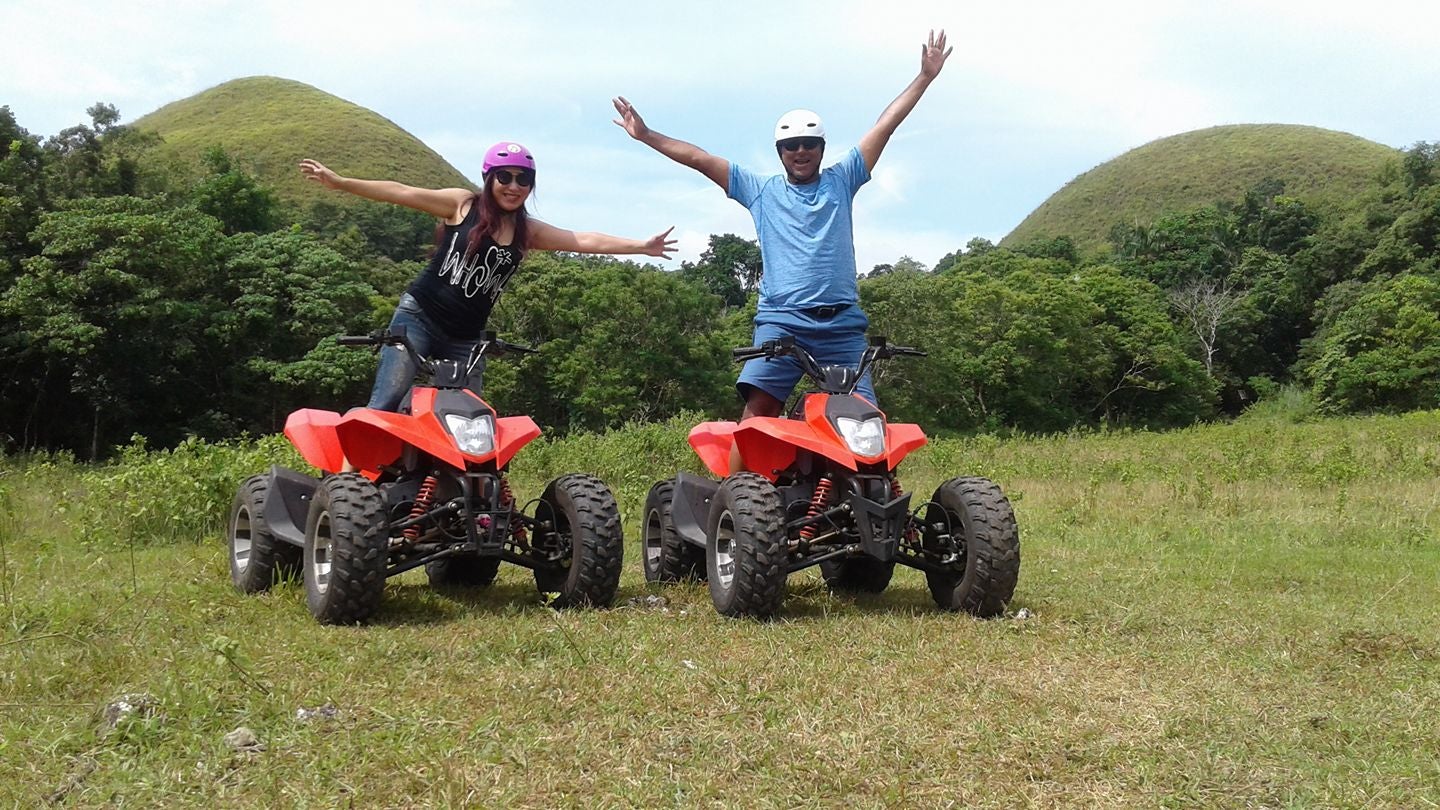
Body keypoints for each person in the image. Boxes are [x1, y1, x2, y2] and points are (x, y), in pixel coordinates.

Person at [613, 30, 952, 432]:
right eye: (791, 145)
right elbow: (700, 159)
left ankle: (865, 494)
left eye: (809, 143)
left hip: (842, 325)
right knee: (759, 413)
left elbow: (886, 125)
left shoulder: (843, 179)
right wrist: (647, 135)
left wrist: (924, 78)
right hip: (783, 320)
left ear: (822, 148)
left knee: (866, 422)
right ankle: (735, 493)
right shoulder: (759, 190)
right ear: (780, 153)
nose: (801, 151)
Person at [299, 142, 677, 413]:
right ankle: (346, 485)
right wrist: (343, 182)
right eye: (505, 177)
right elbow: (402, 192)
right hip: (419, 319)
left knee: (468, 419)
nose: (514, 186)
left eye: (523, 179)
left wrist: (642, 247)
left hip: (467, 339)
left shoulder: (529, 232)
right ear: (489, 178)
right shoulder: (462, 205)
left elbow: (583, 240)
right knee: (385, 401)